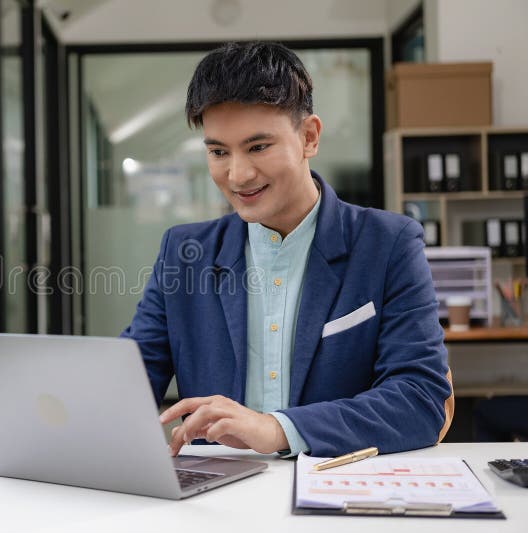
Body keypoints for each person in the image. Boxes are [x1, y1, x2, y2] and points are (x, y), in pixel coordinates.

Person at [120, 41, 454, 458]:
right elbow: (128, 382)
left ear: (309, 137)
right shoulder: (184, 251)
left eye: (258, 147)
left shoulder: (387, 244)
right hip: (216, 499)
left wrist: (279, 429)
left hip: (335, 487)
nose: (238, 174)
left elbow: (420, 400)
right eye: (219, 152)